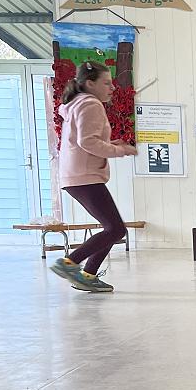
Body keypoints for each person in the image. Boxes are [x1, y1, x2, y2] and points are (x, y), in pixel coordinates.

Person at [49, 61, 137, 294]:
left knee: (114, 227)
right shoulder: (90, 104)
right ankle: (69, 264)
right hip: (84, 176)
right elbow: (87, 142)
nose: (112, 88)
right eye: (106, 83)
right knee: (115, 229)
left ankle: (87, 275)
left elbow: (85, 139)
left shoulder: (78, 103)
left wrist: (111, 144)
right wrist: (120, 150)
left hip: (77, 174)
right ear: (90, 83)